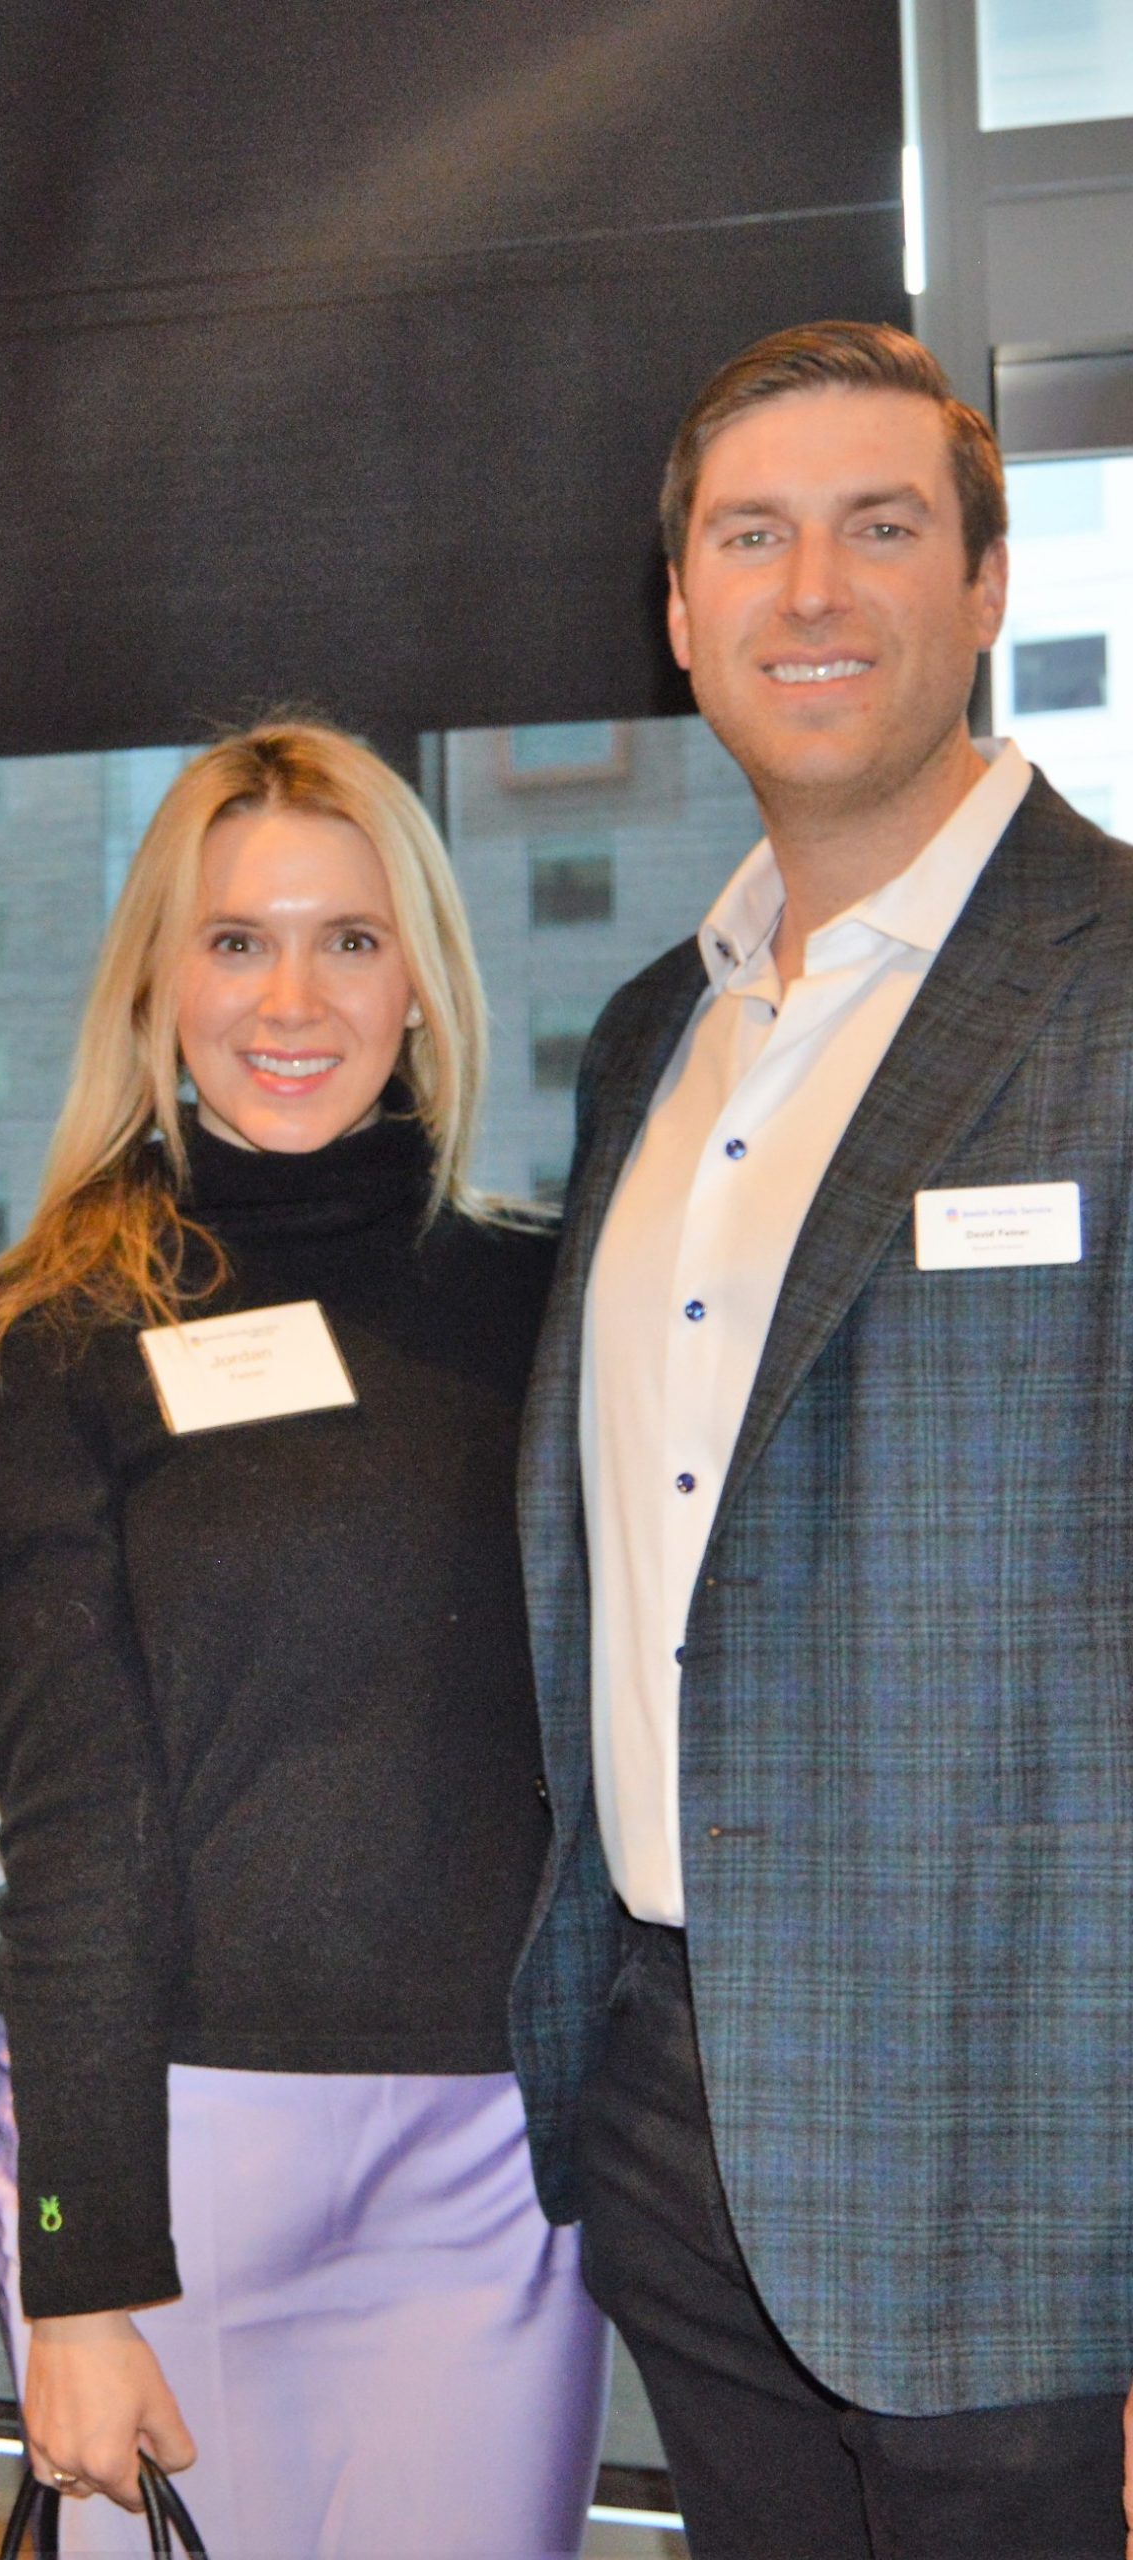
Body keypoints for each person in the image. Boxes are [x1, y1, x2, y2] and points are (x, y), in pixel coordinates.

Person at [508, 318, 1133, 2558]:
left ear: (981, 583)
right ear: (674, 613)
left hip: (1034, 2153)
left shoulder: (1119, 981)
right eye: (745, 538)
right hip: (677, 2105)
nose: (808, 591)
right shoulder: (643, 1041)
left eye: (879, 528)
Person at [0, 717, 609, 2558]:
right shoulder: (34, 1343)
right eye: (236, 941)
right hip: (173, 2143)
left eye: (349, 938)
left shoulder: (550, 1303)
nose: (290, 995)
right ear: (159, 980)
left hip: (489, 2171)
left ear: (425, 981)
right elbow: (68, 1838)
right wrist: (69, 2276)